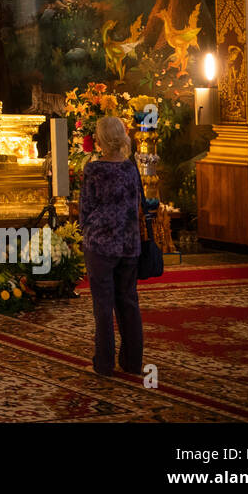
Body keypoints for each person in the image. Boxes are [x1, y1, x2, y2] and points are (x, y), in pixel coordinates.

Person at [78, 114, 145, 377]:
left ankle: (104, 364)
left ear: (101, 139)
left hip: (101, 244)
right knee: (128, 301)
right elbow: (137, 202)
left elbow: (86, 207)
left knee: (103, 306)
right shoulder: (130, 167)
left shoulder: (94, 169)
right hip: (129, 242)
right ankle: (132, 362)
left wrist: (86, 230)